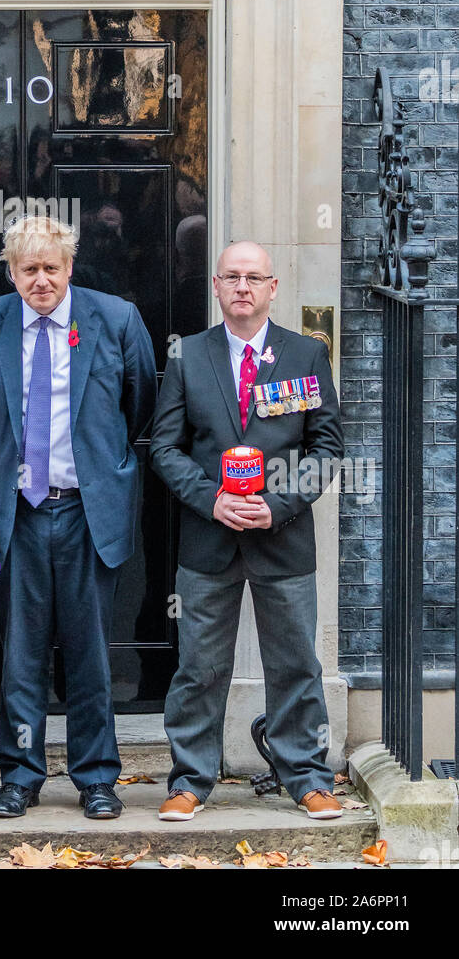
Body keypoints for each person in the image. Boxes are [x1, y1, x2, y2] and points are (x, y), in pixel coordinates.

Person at [0, 214, 156, 820]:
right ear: (11, 272)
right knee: (20, 654)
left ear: (70, 267)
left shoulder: (116, 318)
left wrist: (101, 466)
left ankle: (96, 777)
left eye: (51, 267)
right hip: (13, 512)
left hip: (87, 512)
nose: (41, 280)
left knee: (92, 653)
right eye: (29, 269)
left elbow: (138, 401)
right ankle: (20, 774)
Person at [149, 240, 345, 822]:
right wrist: (213, 502)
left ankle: (307, 777)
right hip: (208, 541)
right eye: (231, 277)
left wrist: (278, 503)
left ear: (272, 288)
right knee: (200, 667)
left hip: (282, 539)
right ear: (215, 285)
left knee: (296, 664)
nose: (242, 287)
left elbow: (327, 447)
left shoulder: (307, 355)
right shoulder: (189, 355)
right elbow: (165, 446)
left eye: (253, 278)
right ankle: (190, 780)